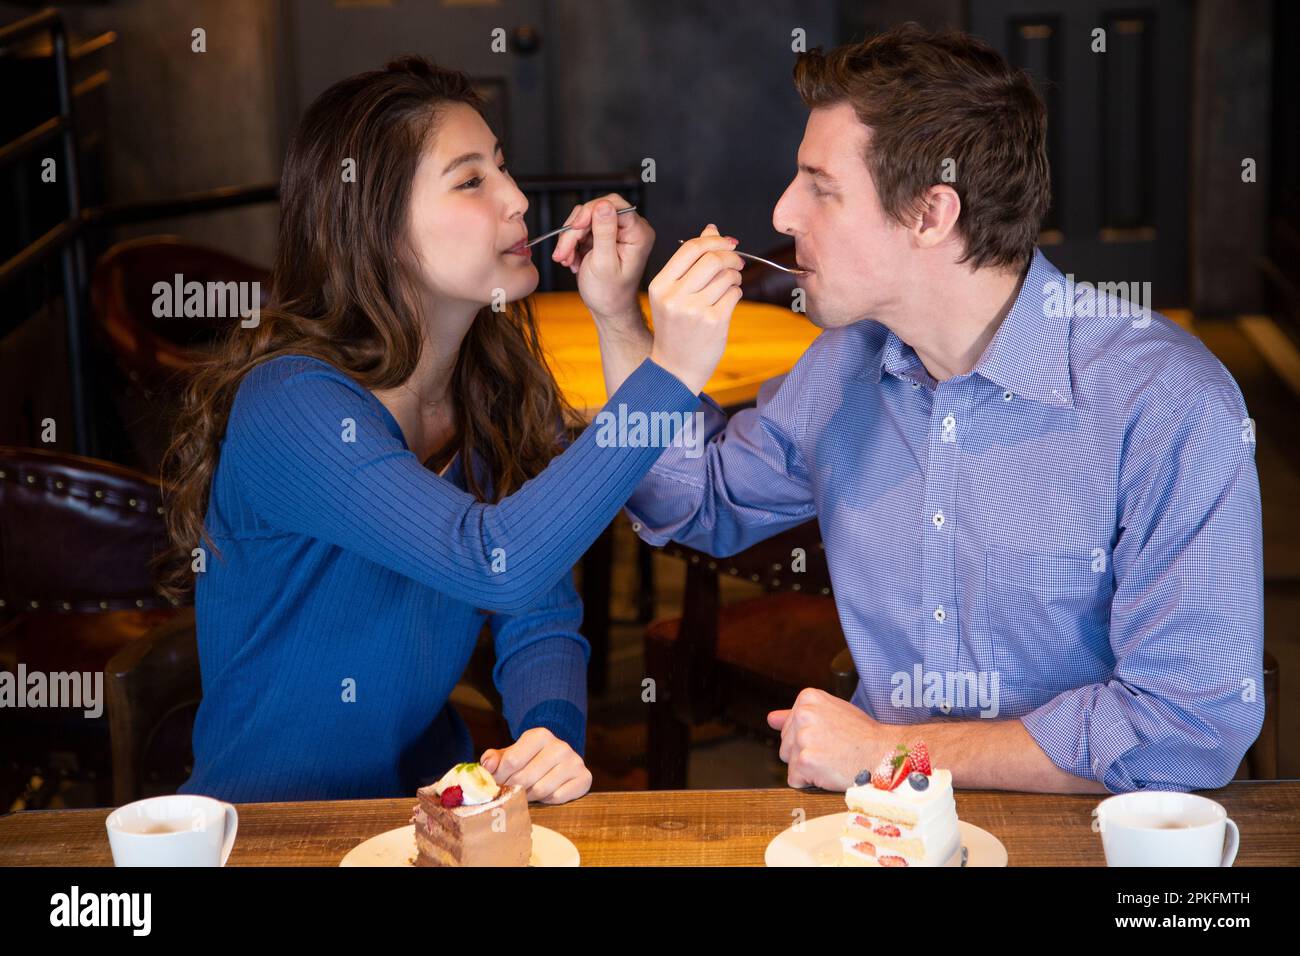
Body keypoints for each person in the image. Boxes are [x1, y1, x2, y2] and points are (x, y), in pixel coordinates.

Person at [565, 24, 1264, 794]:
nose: (784, 211)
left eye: (820, 187)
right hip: (883, 833)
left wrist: (893, 754)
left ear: (931, 214)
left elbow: (1187, 732)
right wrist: (622, 319)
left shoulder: (1167, 403)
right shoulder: (846, 366)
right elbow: (697, 501)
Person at [155, 57, 743, 802]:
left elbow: (539, 610)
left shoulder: (486, 389)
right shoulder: (292, 403)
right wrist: (671, 373)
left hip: (428, 817)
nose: (518, 200)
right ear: (376, 224)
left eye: (502, 168)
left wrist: (548, 732)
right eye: (471, 181)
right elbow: (496, 561)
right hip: (272, 833)